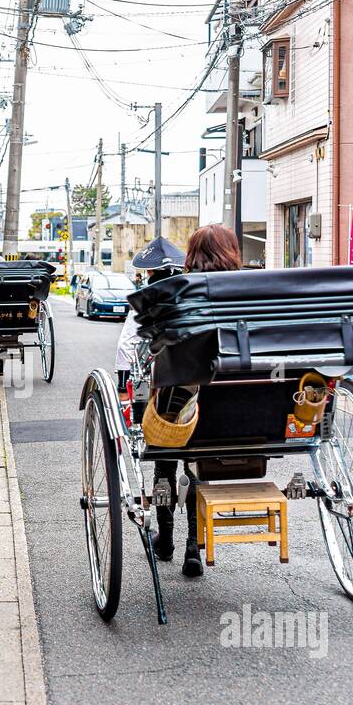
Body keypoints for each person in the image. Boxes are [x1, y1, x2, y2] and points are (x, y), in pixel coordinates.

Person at [149, 224, 243, 576]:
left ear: (190, 256)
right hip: (240, 411)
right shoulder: (253, 291)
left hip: (183, 405)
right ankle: (194, 548)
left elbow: (157, 345)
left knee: (165, 460)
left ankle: (167, 539)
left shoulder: (179, 292)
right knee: (196, 468)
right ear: (233, 253)